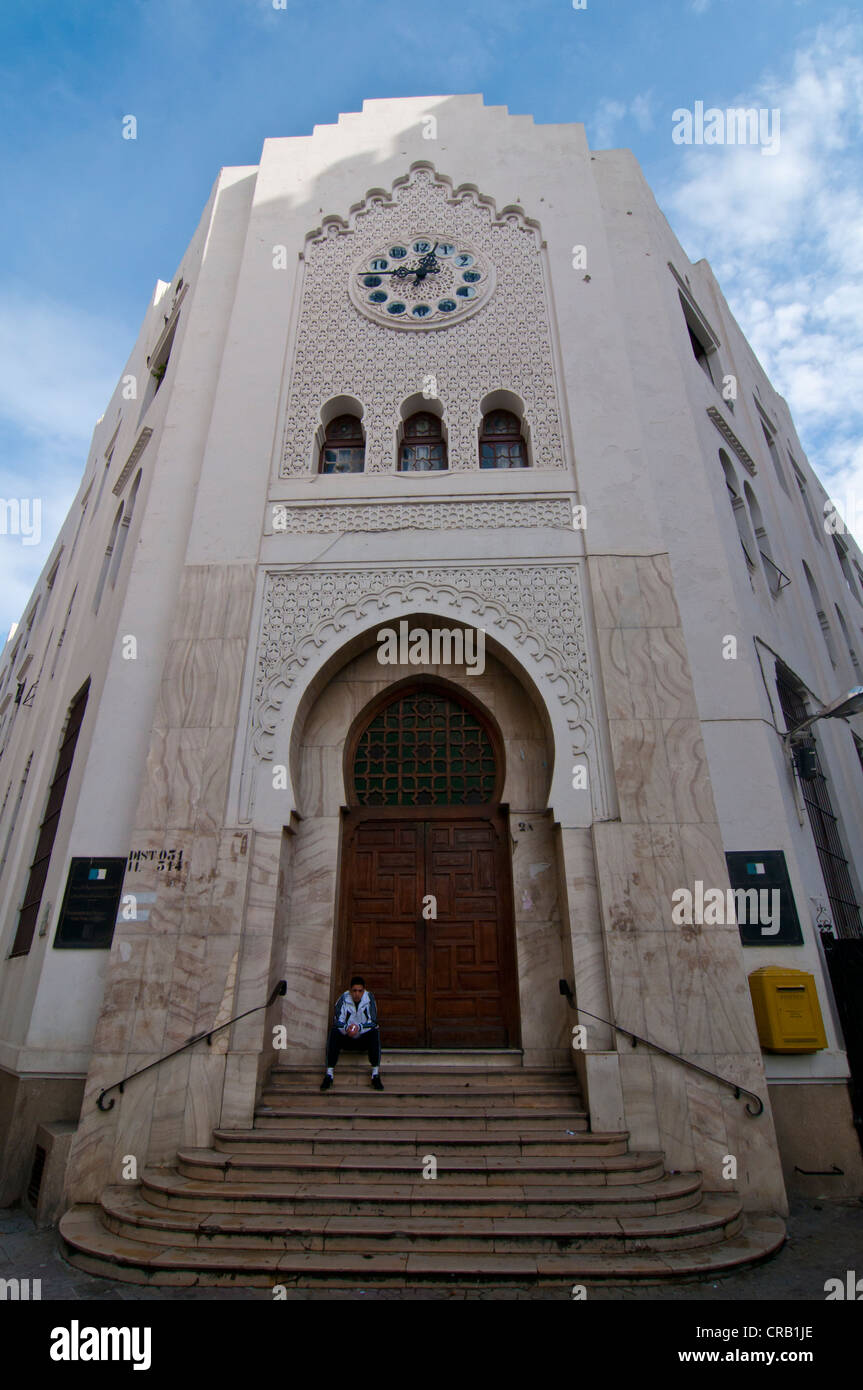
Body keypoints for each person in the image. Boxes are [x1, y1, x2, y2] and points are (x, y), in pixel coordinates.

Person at [321, 975, 383, 1091]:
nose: (357, 994)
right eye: (354, 991)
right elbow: (337, 1021)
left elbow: (373, 1022)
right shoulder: (343, 999)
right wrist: (347, 1028)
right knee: (334, 1032)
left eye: (360, 991)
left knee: (375, 1032)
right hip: (347, 1037)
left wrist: (359, 1027)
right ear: (350, 990)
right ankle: (329, 1074)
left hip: (362, 1037)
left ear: (363, 990)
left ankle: (375, 1074)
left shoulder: (369, 998)